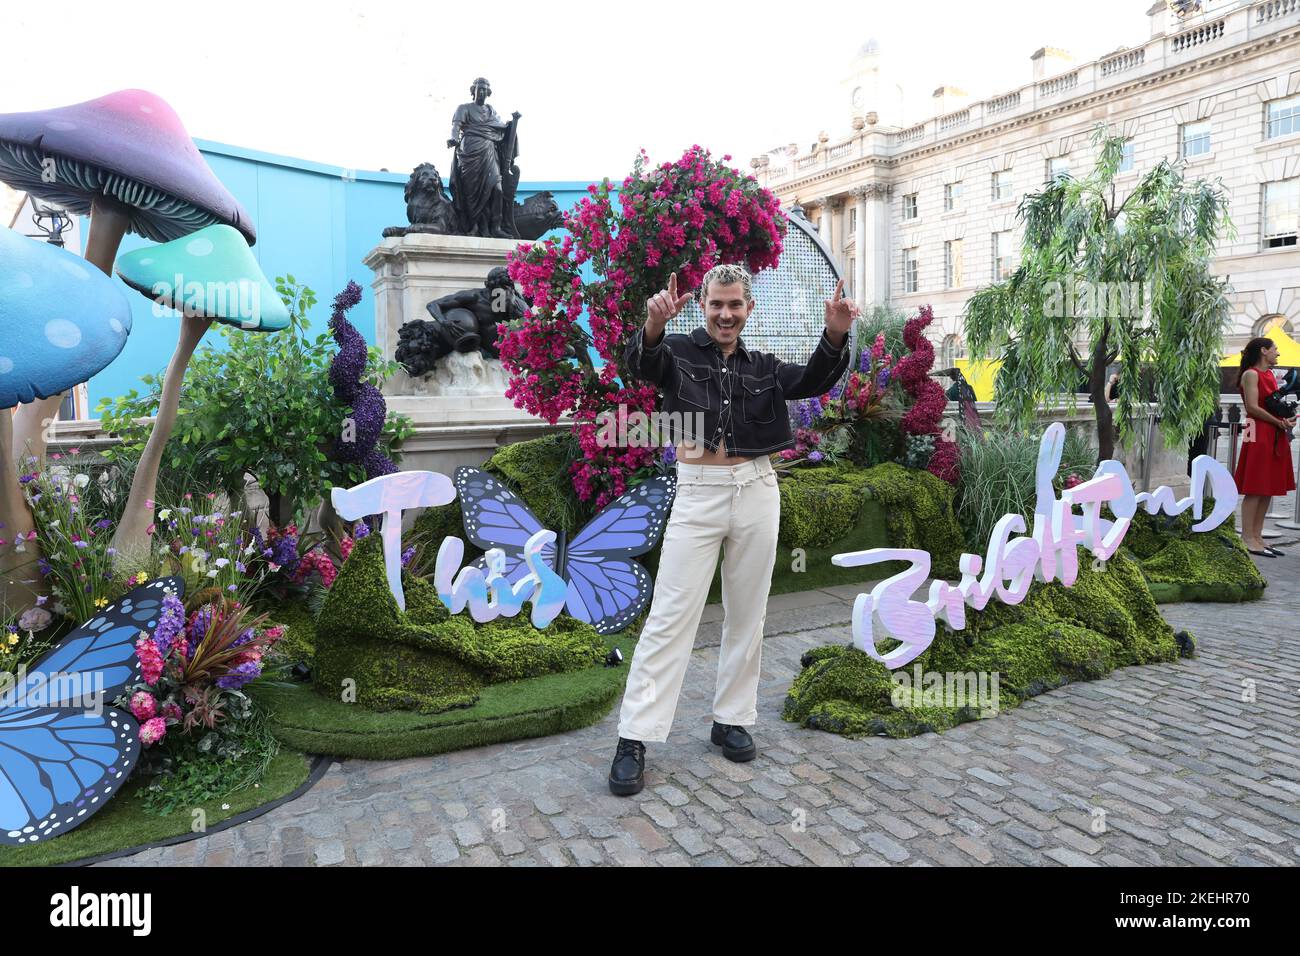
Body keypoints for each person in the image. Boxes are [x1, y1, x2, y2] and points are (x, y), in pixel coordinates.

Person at [608, 264, 854, 795]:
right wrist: (652, 325)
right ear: (703, 305)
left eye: (735, 304)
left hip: (758, 490)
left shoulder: (763, 365)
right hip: (697, 491)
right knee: (671, 616)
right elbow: (643, 365)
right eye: (717, 304)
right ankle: (635, 737)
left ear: (749, 308)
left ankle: (732, 718)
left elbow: (812, 381)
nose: (726, 314)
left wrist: (834, 331)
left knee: (749, 610)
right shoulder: (676, 351)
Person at [1234, 337, 1296, 557]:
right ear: (1263, 350)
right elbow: (1252, 407)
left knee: (1268, 486)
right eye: (1275, 349)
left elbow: (1271, 405)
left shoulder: (1269, 374)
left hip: (1273, 431)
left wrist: (1285, 420)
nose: (1278, 353)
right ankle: (1247, 538)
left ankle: (1258, 536)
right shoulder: (1251, 374)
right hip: (1259, 431)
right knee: (1256, 485)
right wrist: (1278, 421)